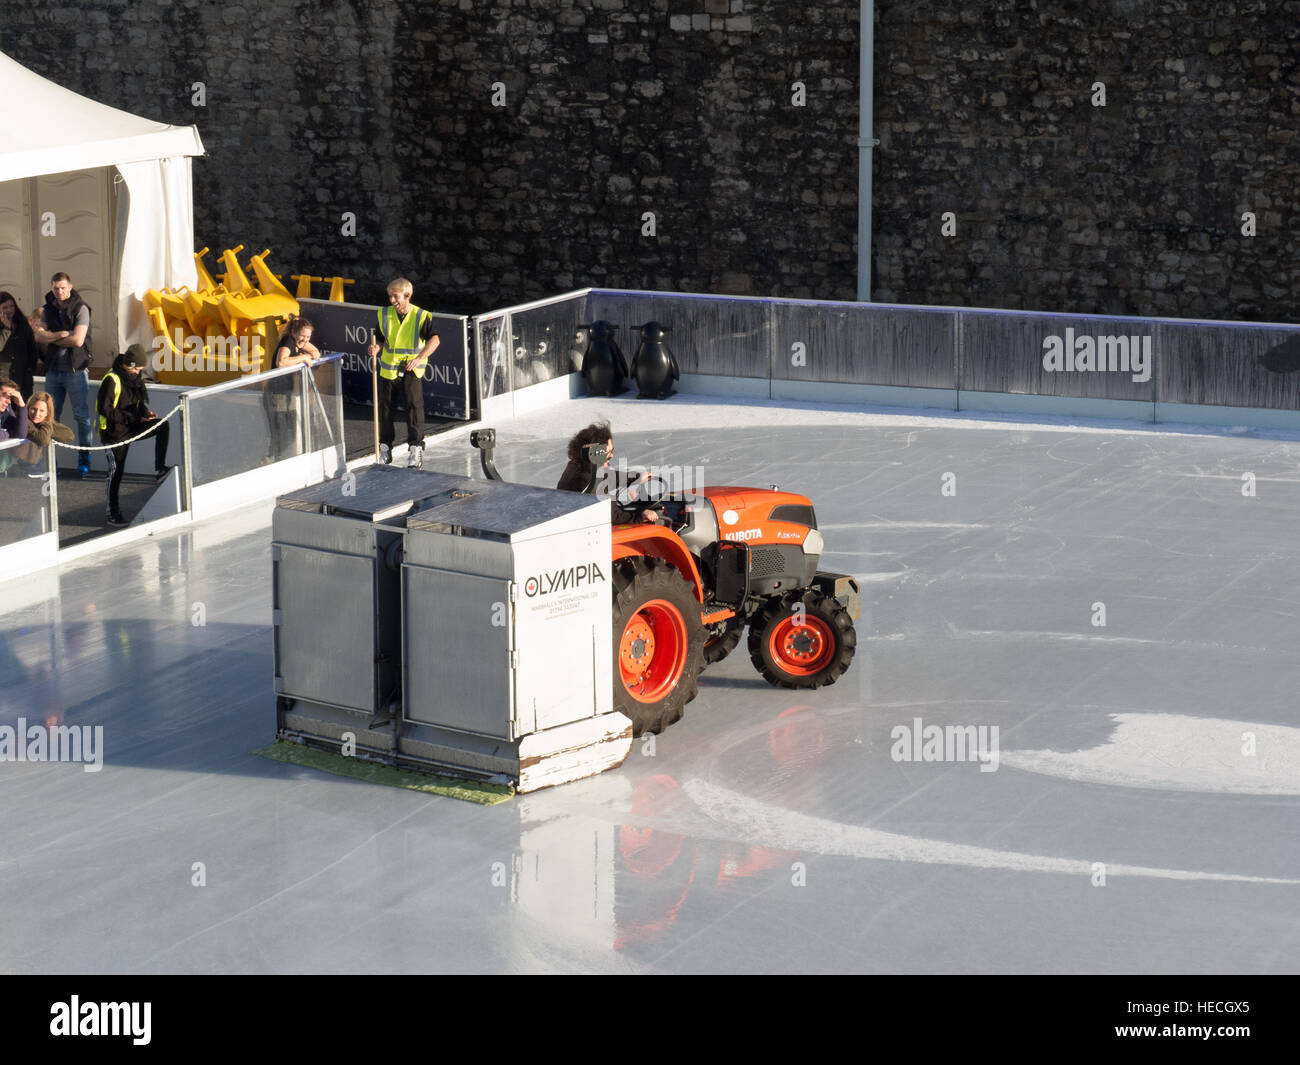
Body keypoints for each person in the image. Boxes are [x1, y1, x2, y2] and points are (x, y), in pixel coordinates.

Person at [365, 277, 439, 469]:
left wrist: (420, 357)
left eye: (396, 297)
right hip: (388, 370)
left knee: (414, 408)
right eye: (390, 297)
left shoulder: (421, 316)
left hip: (411, 370)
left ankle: (415, 449)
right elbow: (380, 339)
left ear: (408, 295)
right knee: (385, 410)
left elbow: (435, 340)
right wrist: (376, 348)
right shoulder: (384, 314)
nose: (392, 301)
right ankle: (385, 448)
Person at [29, 272, 94, 476]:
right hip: (53, 371)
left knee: (81, 416)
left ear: (70, 287)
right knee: (48, 417)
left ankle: (84, 458)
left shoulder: (80, 308)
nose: (59, 291)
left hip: (75, 372)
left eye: (63, 287)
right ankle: (51, 461)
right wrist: (61, 334)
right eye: (56, 288)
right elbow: (39, 336)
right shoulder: (48, 308)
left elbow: (77, 341)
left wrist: (51, 338)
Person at [97, 348, 171, 527]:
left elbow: (137, 403)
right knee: (116, 472)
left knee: (162, 425)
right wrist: (134, 418)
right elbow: (105, 410)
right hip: (114, 434)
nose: (139, 372)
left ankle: (160, 469)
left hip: (131, 426)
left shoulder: (134, 379)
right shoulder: (112, 379)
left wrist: (145, 412)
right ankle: (112, 513)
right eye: (137, 369)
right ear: (129, 365)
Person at [556, 420, 658, 523]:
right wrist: (640, 516)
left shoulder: (577, 467)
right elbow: (614, 516)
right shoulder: (589, 482)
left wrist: (635, 477)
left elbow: (608, 476)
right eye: (608, 452)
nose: (612, 455)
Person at [264, 317, 320, 459]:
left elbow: (315, 353)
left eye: (308, 337)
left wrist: (307, 354)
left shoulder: (299, 343)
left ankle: (283, 459)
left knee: (290, 433)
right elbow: (281, 362)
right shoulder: (288, 341)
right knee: (280, 434)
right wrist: (303, 358)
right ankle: (273, 460)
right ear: (294, 332)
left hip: (288, 393)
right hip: (277, 394)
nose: (305, 340)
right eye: (302, 335)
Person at [12, 390, 73, 476]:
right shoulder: (22, 420)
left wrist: (45, 423)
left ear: (47, 413)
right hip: (13, 471)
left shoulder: (44, 423)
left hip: (33, 472)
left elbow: (69, 435)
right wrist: (45, 427)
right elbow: (42, 439)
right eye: (33, 409)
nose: (37, 414)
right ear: (28, 408)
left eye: (42, 411)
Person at [0, 292, 39, 398]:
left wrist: (31, 368)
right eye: (5, 307)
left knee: (23, 408)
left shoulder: (23, 324)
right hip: (3, 377)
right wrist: (6, 329)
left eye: (11, 306)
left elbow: (32, 348)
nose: (9, 310)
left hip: (23, 377)